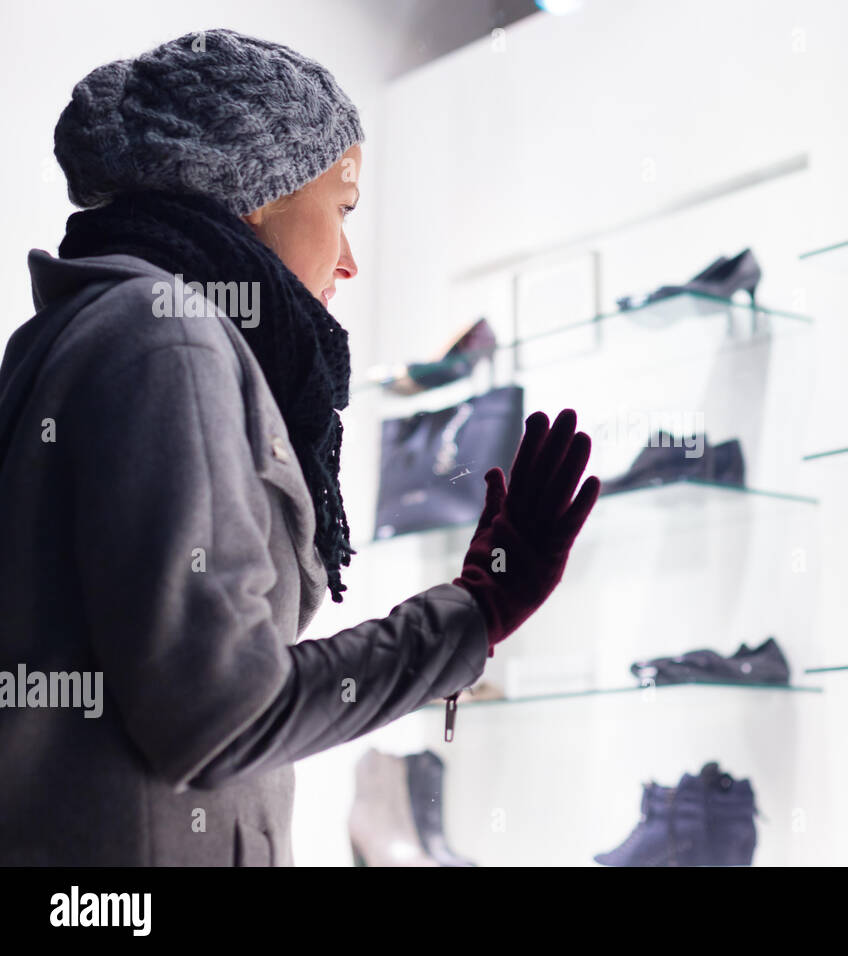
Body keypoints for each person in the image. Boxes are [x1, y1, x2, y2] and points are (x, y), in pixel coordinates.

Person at [0, 28, 598, 866]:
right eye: (342, 210)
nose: (349, 260)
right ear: (254, 193)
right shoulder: (169, 342)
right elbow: (219, 715)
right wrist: (471, 616)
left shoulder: (82, 332)